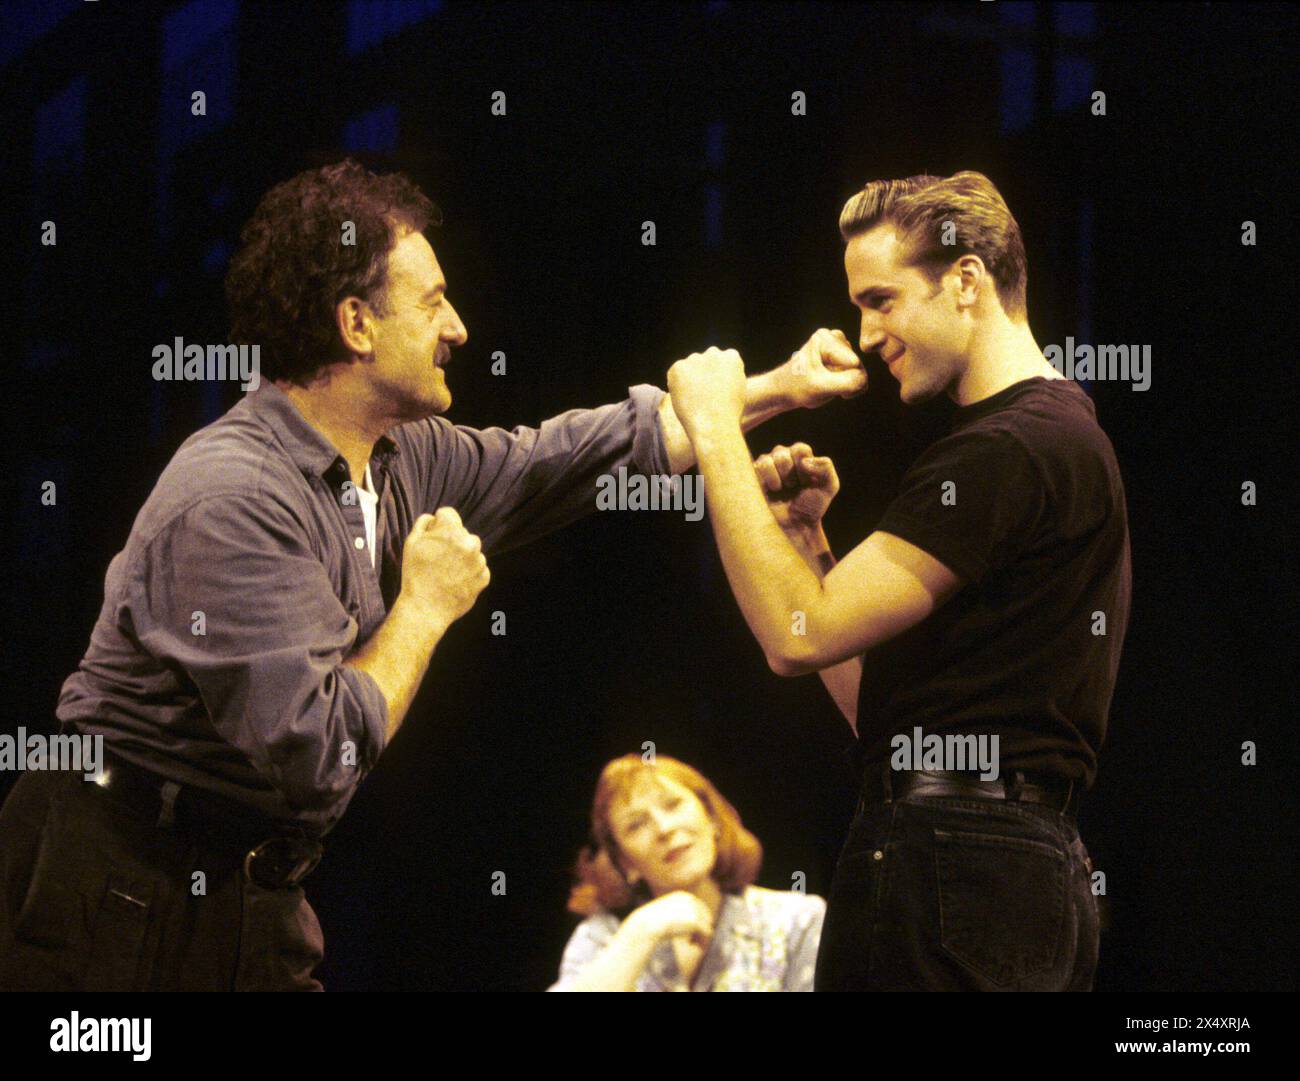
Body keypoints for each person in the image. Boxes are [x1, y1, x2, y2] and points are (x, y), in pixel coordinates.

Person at [0, 159, 864, 991]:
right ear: (356, 324)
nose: (458, 328)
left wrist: (772, 389)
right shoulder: (235, 496)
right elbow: (316, 756)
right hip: (116, 887)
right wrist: (425, 605)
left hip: (247, 883)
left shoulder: (398, 454)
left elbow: (555, 463)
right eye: (434, 301)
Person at [666, 171, 1130, 990]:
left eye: (881, 299)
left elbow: (789, 634)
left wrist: (715, 429)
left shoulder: (1012, 447)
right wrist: (807, 543)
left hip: (963, 866)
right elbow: (886, 718)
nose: (865, 331)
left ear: (965, 279)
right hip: (987, 864)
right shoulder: (1035, 438)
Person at [549, 754, 825, 991]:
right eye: (636, 825)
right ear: (625, 862)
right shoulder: (602, 936)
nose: (664, 828)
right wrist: (642, 932)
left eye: (673, 805)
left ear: (712, 819)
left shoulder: (796, 920)